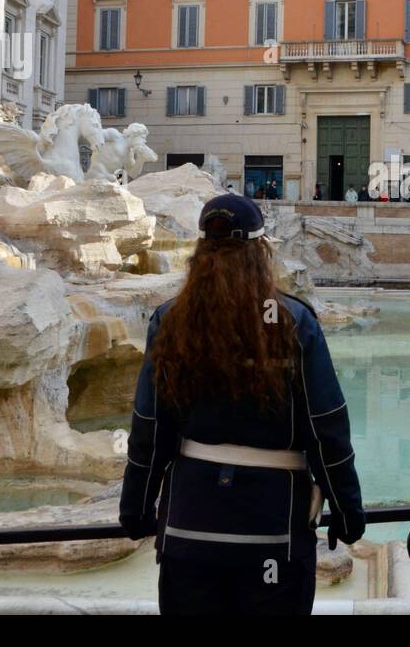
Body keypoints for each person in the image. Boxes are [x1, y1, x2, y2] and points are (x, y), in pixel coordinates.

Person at [119, 194, 366, 614]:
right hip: (273, 535)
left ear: (200, 251)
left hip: (189, 533)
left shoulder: (169, 319)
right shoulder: (293, 320)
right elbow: (326, 427)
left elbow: (150, 428)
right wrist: (346, 512)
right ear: (260, 250)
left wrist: (137, 508)